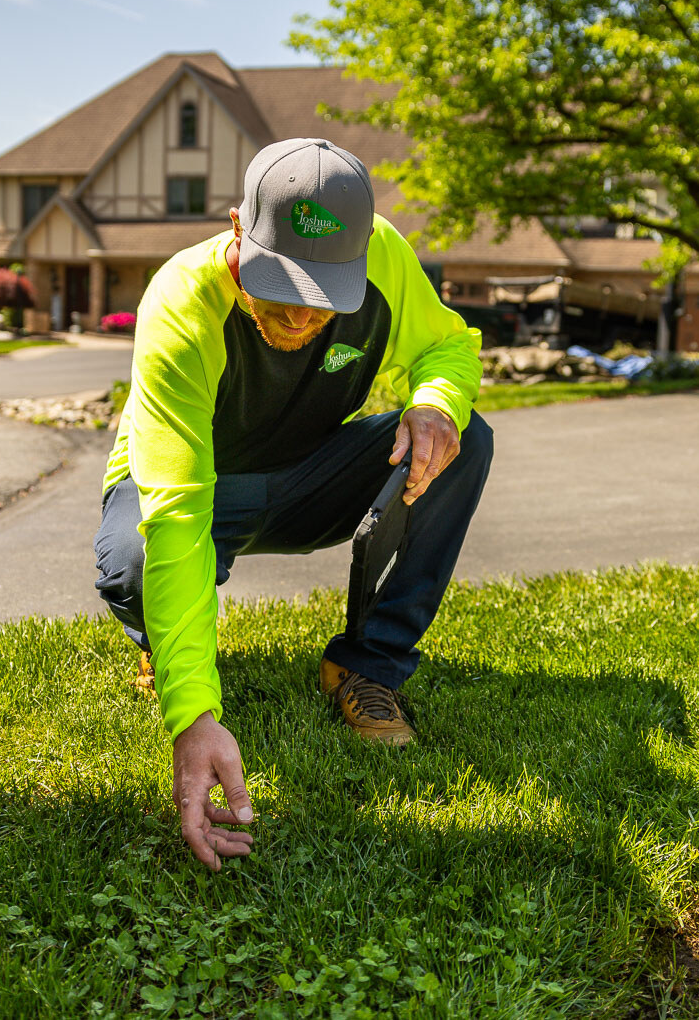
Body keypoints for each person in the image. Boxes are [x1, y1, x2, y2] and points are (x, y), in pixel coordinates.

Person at [91, 138, 494, 870]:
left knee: (466, 440)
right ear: (238, 229)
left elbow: (448, 346)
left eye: (324, 292)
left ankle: (368, 666)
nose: (303, 316)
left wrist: (436, 402)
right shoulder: (180, 304)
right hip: (200, 486)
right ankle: (168, 647)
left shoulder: (384, 255)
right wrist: (193, 714)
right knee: (140, 562)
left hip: (309, 474)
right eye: (281, 284)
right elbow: (179, 512)